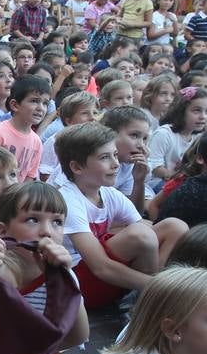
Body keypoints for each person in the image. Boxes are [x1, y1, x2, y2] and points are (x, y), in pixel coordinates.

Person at [56, 122, 186, 307]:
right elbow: (100, 267)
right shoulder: (68, 199)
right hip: (77, 284)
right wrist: (157, 285)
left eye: (115, 155)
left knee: (175, 226)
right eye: (104, 157)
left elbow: (143, 225)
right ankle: (155, 295)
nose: (116, 164)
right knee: (141, 235)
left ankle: (151, 296)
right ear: (77, 167)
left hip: (107, 278)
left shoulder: (108, 193)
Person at [0, 74, 48, 182]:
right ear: (15, 105)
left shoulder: (36, 142)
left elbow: (29, 176)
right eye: (34, 101)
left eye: (45, 103)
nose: (41, 108)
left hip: (15, 196)